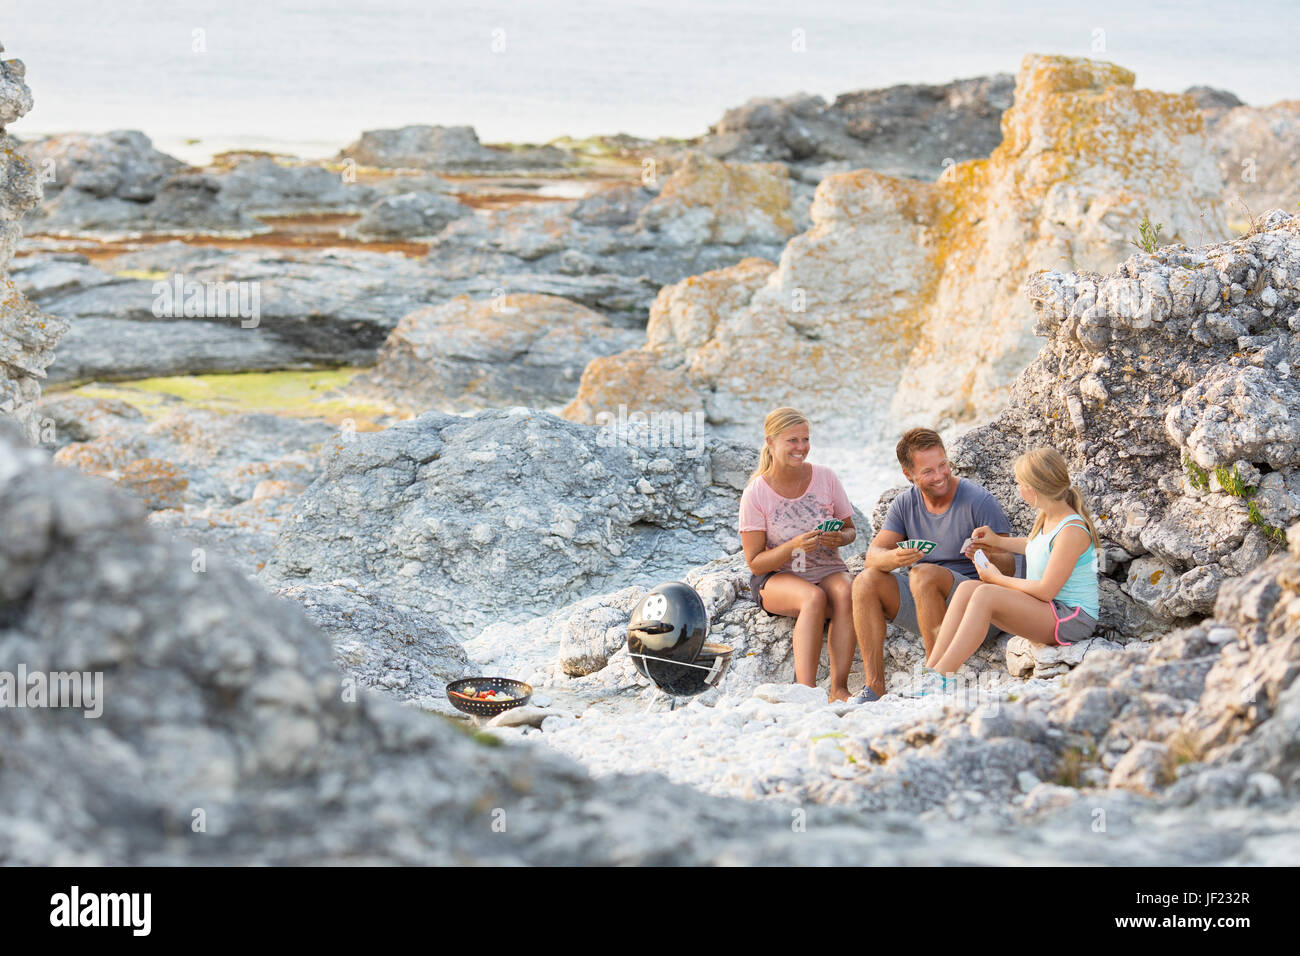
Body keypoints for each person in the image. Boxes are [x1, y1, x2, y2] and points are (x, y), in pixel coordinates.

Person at [850, 427, 1015, 703]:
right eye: (928, 471)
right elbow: (873, 556)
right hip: (929, 609)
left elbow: (1009, 569)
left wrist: (987, 552)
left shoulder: (979, 500)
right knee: (865, 581)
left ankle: (936, 675)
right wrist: (895, 558)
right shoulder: (904, 504)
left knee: (923, 573)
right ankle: (874, 686)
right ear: (909, 475)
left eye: (943, 465)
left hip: (978, 613)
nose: (939, 476)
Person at [924, 446, 1099, 690]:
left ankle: (943, 677)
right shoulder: (1049, 516)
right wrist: (997, 541)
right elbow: (1036, 546)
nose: (1018, 489)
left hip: (1071, 618)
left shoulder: (1072, 530)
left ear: (1033, 488)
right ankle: (931, 671)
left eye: (1019, 483)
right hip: (1049, 609)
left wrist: (996, 578)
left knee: (985, 593)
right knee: (967, 589)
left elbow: (1046, 590)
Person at [739, 407, 859, 702]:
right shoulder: (756, 493)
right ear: (771, 442)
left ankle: (839, 688)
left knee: (848, 591)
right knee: (813, 598)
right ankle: (807, 691)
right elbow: (754, 561)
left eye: (805, 439)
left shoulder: (826, 478)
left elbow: (851, 531)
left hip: (828, 568)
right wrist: (793, 546)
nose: (801, 447)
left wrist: (837, 538)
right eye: (792, 440)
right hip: (778, 577)